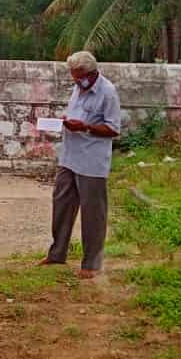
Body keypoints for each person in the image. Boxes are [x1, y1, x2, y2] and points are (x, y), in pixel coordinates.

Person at [40, 50, 121, 279]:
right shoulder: (78, 88)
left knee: (93, 214)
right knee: (62, 206)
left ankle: (91, 264)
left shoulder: (108, 92)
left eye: (78, 76)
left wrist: (85, 127)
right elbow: (76, 114)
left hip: (92, 162)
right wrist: (66, 121)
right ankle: (57, 254)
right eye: (73, 77)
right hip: (69, 157)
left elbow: (113, 128)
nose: (75, 81)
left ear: (91, 73)